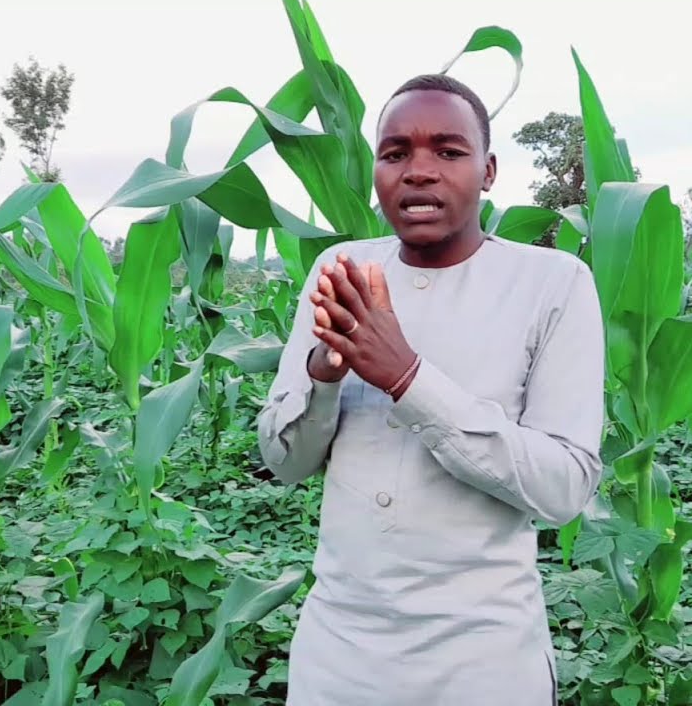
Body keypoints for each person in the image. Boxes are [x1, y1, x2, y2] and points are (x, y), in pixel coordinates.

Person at [256, 73, 606, 706]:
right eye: (395, 154)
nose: (418, 171)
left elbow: (564, 488)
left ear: (489, 170)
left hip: (484, 662)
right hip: (340, 655)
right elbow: (286, 463)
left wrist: (407, 378)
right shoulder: (342, 271)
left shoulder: (553, 284)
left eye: (448, 151)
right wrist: (324, 373)